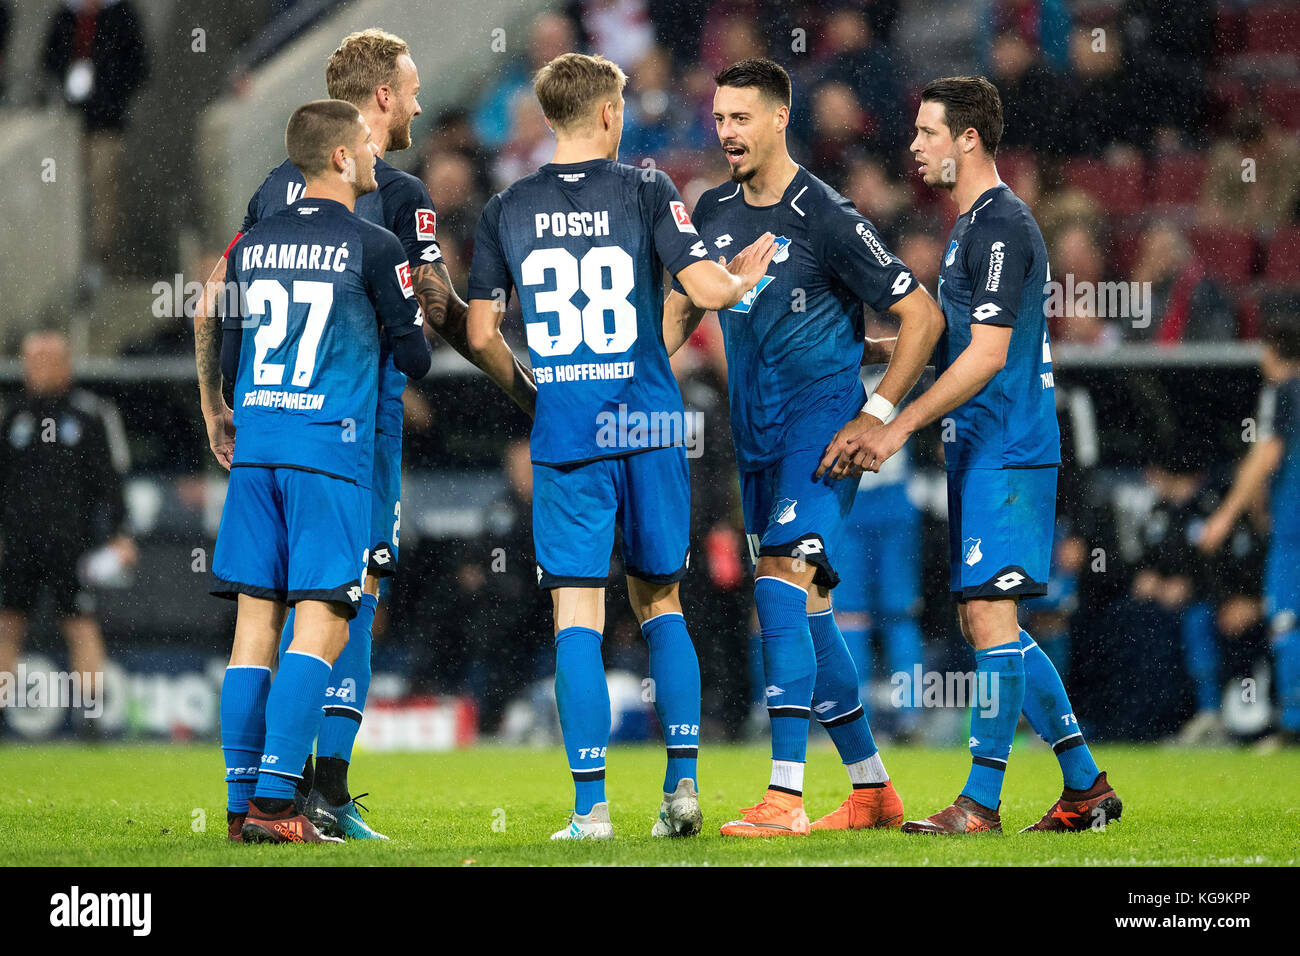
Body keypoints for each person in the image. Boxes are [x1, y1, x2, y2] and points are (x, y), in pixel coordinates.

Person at [197, 29, 533, 840]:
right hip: (353, 429)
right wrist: (526, 389)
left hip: (265, 421)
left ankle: (254, 798)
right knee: (350, 597)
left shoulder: (274, 189)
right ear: (381, 98)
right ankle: (311, 792)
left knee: (261, 610)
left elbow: (215, 295)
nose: (419, 103)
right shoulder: (395, 197)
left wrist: (213, 401)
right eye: (412, 89)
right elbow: (439, 314)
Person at [465, 51, 775, 839]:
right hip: (648, 423)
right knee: (660, 603)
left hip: (568, 428)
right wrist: (737, 282)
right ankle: (681, 790)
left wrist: (532, 390)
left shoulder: (506, 207)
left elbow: (477, 331)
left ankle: (591, 809)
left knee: (577, 612)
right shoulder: (646, 189)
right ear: (608, 113)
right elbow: (703, 290)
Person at [821, 75, 1121, 834]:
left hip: (1009, 451)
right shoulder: (967, 229)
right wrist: (848, 344)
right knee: (991, 622)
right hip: (982, 451)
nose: (913, 147)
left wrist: (893, 428)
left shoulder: (1000, 226)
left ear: (968, 139)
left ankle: (980, 802)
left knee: (991, 618)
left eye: (927, 133)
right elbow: (955, 343)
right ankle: (1084, 786)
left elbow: (986, 357)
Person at [662, 58, 943, 837]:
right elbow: (682, 312)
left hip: (820, 434)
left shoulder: (824, 214)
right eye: (719, 119)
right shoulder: (711, 210)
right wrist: (638, 363)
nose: (727, 133)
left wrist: (879, 415)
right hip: (755, 440)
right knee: (812, 612)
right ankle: (871, 787)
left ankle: (784, 795)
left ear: (781, 118)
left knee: (780, 581)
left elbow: (922, 316)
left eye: (741, 118)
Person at [205, 99, 431, 843]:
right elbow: (415, 356)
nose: (375, 153)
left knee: (252, 630)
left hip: (258, 446)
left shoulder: (252, 244)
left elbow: (228, 346)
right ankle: (278, 804)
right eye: (365, 143)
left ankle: (240, 808)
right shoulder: (372, 246)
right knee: (322, 624)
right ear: (339, 157)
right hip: (328, 457)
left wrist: (219, 409)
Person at [0, 330, 136, 735]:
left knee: (80, 625)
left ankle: (90, 716)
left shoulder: (90, 414)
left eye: (45, 359)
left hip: (72, 545)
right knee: (8, 625)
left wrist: (119, 533)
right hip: (18, 545)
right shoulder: (11, 415)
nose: (36, 367)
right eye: (31, 360)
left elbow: (112, 481)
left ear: (66, 364)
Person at [1200, 316, 1300, 750]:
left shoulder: (1283, 392)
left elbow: (1267, 456)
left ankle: (1294, 724)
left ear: (1275, 351)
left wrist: (1225, 515)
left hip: (1294, 529)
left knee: (1286, 621)